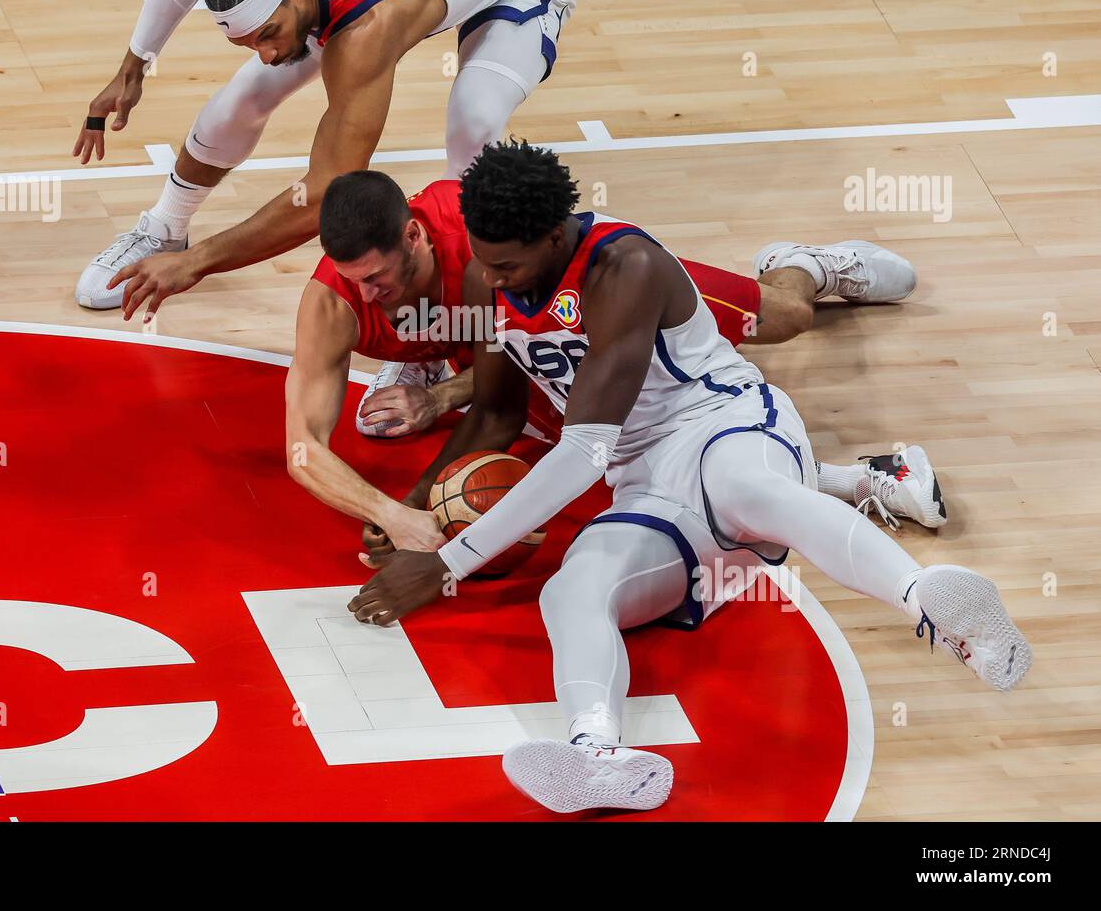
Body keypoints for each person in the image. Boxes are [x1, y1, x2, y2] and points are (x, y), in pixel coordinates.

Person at [348, 140, 1030, 813]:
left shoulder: (627, 267)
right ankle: (598, 754)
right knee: (573, 592)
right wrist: (411, 511)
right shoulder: (484, 280)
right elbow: (496, 413)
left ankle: (931, 599)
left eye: (507, 264)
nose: (490, 279)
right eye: (483, 259)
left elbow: (583, 449)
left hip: (727, 424)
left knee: (752, 493)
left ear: (555, 235)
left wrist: (447, 564)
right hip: (644, 483)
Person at [286, 170, 944, 566]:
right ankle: (867, 479)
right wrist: (399, 511)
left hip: (596, 319)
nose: (365, 295)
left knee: (786, 321)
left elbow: (535, 361)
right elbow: (301, 450)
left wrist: (438, 435)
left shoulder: (480, 231)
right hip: (516, 351)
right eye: (354, 283)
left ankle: (811, 264)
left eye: (376, 279)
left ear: (415, 236)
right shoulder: (332, 303)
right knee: (642, 464)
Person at [71, 0, 580, 315]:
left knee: (475, 121)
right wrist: (133, 67)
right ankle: (163, 225)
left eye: (268, 35)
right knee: (239, 101)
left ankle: (448, 303)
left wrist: (196, 264)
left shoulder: (370, 29)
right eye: (249, 43)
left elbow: (323, 197)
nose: (267, 54)